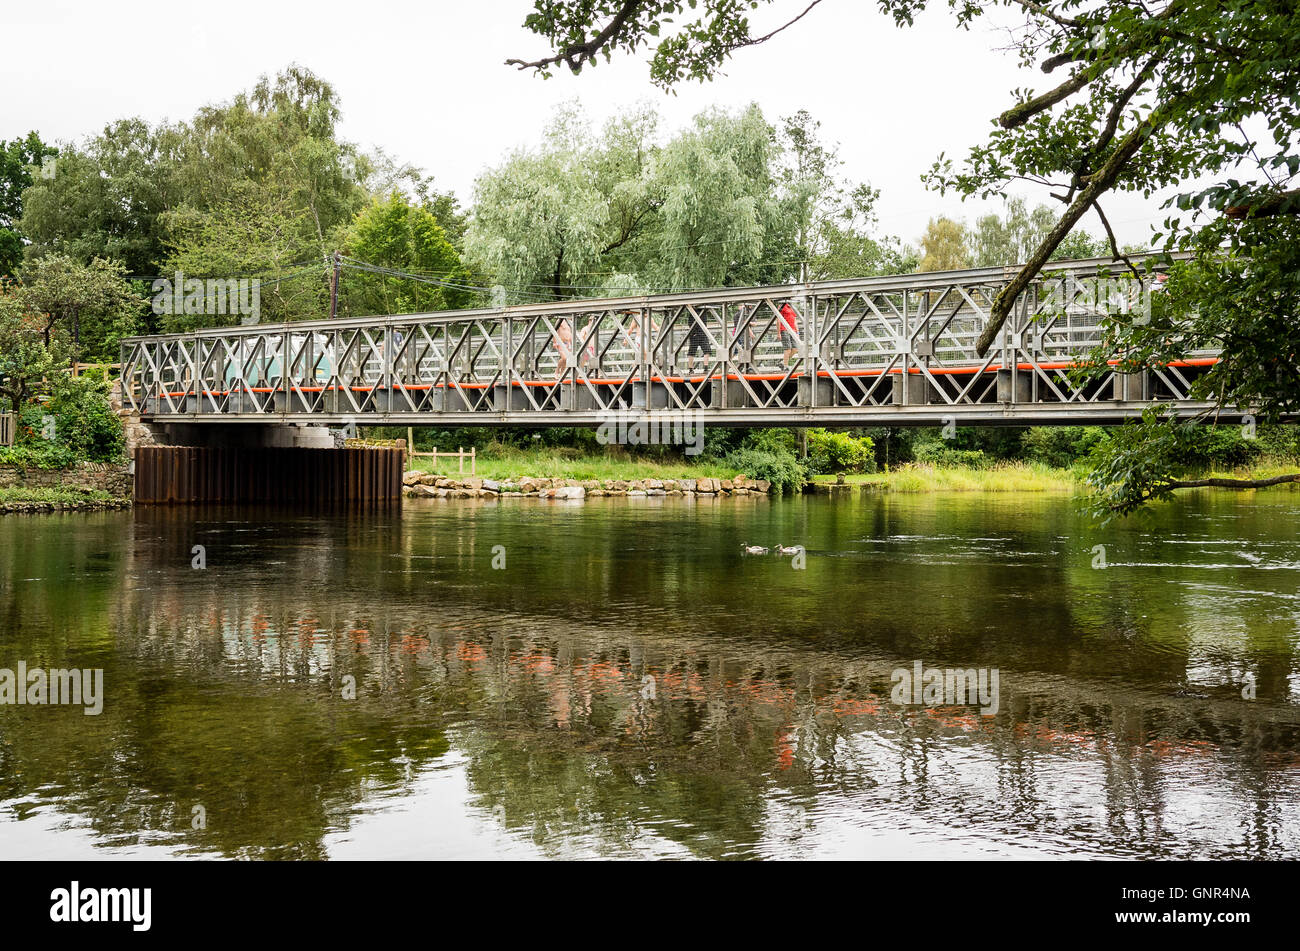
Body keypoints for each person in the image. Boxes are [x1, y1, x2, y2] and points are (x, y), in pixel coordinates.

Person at [778, 300, 801, 367]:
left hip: (793, 330)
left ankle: (782, 362)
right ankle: (785, 366)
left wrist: (797, 332)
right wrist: (778, 333)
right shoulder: (781, 306)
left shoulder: (791, 307)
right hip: (784, 329)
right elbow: (778, 320)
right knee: (788, 349)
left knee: (795, 349)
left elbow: (794, 320)